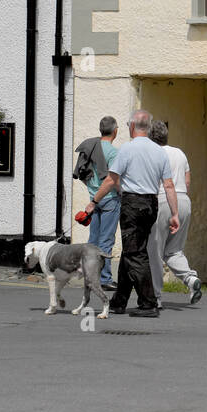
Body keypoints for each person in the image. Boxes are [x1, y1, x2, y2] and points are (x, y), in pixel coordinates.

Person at [85, 109, 178, 318]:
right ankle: (119, 301)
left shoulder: (127, 149)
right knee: (130, 250)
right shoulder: (159, 152)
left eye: (128, 125)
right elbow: (169, 185)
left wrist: (94, 202)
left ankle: (148, 303)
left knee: (136, 253)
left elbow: (110, 179)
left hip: (133, 204)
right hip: (151, 204)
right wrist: (174, 214)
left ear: (133, 126)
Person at [147, 119, 202, 307]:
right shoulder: (180, 153)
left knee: (155, 251)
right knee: (174, 249)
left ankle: (155, 296)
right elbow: (187, 182)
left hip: (162, 199)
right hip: (183, 200)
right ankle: (190, 279)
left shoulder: (153, 153)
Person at [74, 117, 120, 289]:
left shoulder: (90, 148)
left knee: (93, 240)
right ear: (115, 131)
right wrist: (122, 191)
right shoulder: (113, 152)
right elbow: (112, 180)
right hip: (109, 199)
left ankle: (89, 276)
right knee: (106, 240)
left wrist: (93, 193)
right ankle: (105, 279)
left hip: (93, 198)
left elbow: (82, 173)